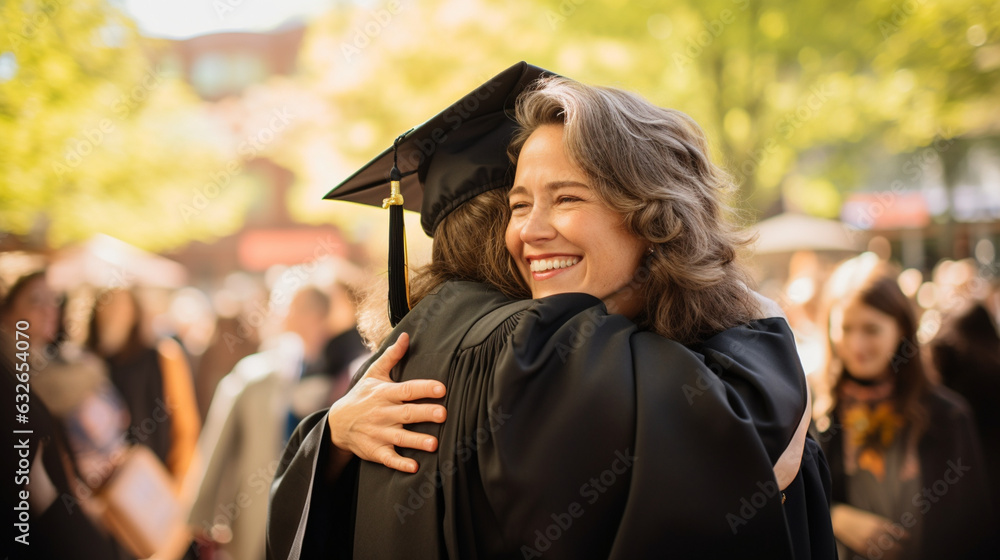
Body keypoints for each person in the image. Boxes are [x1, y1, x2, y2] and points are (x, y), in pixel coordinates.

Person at [268, 63, 834, 559]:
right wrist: (764, 328)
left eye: (566, 198)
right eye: (518, 205)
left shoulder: (399, 357)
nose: (533, 230)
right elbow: (740, 445)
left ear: (649, 214)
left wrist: (327, 437)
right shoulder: (538, 345)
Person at [812, 253, 995, 559]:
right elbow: (788, 504)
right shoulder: (815, 412)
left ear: (901, 329)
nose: (856, 345)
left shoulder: (948, 416)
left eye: (871, 329)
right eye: (845, 328)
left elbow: (976, 530)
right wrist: (836, 517)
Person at [1, 270, 129, 559]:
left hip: (92, 504)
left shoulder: (66, 363)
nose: (49, 310)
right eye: (36, 301)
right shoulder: (14, 376)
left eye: (53, 300)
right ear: (6, 312)